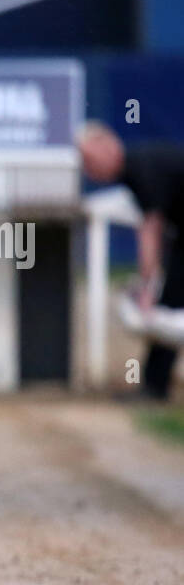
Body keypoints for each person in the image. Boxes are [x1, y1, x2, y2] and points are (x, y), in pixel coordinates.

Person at [80, 121, 184, 400]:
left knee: (166, 308)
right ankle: (154, 385)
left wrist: (146, 287)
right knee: (168, 307)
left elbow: (150, 230)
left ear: (110, 147)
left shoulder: (142, 167)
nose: (89, 170)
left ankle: (154, 387)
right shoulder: (139, 166)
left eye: (90, 160)